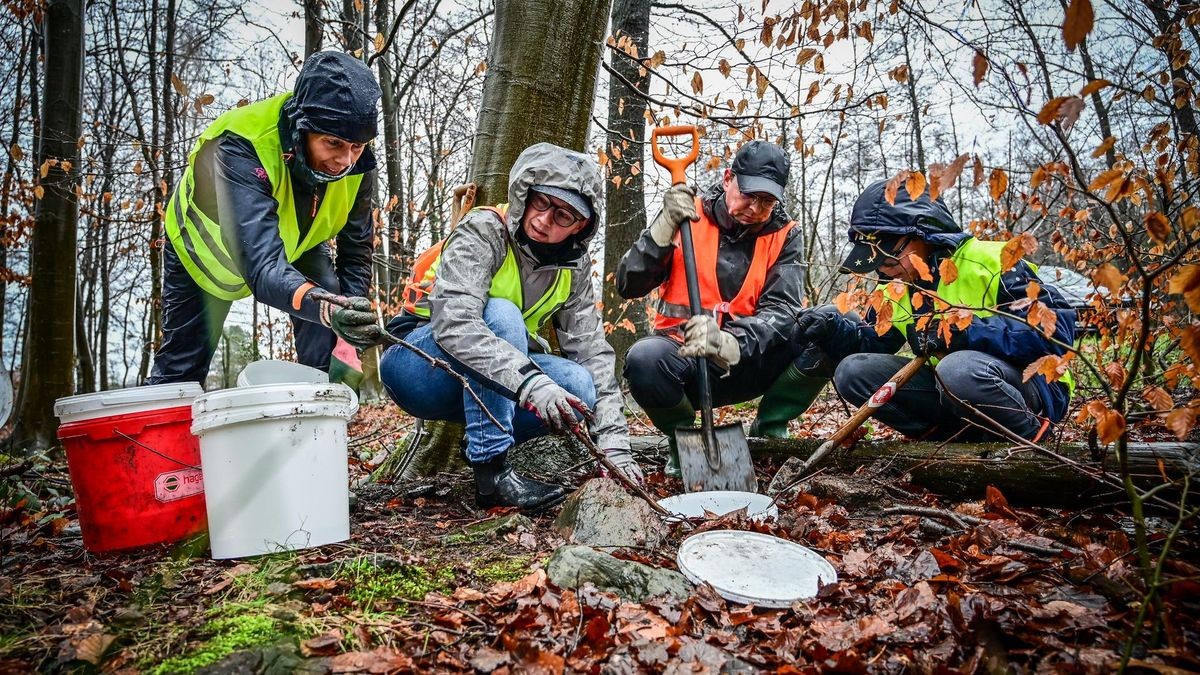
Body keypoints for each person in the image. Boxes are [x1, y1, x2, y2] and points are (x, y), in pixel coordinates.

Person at [380, 143, 637, 513]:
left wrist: (615, 446)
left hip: (491, 383)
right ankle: (492, 474)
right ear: (525, 194)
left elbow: (591, 351)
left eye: (564, 216)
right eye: (542, 203)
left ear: (581, 226)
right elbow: (455, 324)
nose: (544, 220)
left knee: (579, 387)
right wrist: (531, 382)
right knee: (501, 313)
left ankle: (490, 446)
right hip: (419, 364)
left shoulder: (574, 268)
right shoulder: (484, 230)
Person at [148, 51, 382, 387]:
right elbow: (263, 267)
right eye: (333, 143)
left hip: (294, 245)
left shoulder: (357, 163)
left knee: (329, 299)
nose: (345, 160)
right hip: (204, 256)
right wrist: (331, 310)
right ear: (303, 127)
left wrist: (348, 326)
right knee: (181, 370)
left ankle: (317, 416)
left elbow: (356, 249)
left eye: (357, 146)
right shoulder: (242, 146)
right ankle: (152, 435)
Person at [796, 178, 1077, 441]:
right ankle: (943, 440)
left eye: (890, 258)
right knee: (852, 371)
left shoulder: (993, 261)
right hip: (952, 393)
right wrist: (833, 328)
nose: (883, 269)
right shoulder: (895, 287)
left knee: (957, 370)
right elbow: (871, 341)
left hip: (1033, 389)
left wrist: (967, 331)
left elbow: (1057, 333)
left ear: (925, 234)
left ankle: (1030, 442)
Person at [616, 140, 826, 477]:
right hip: (682, 361)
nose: (756, 209)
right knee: (643, 360)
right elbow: (628, 285)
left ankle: (770, 430)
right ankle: (682, 440)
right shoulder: (685, 214)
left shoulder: (786, 234)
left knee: (827, 330)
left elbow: (783, 309)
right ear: (728, 178)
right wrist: (660, 231)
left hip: (746, 360)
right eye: (749, 195)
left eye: (767, 201)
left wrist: (731, 342)